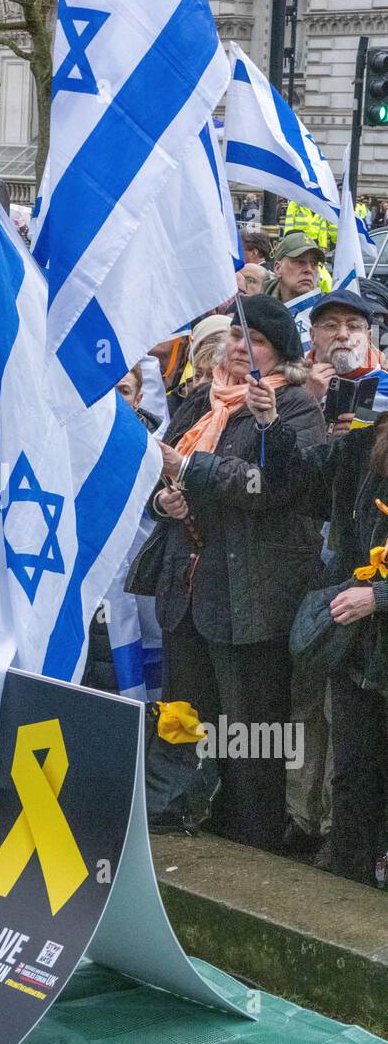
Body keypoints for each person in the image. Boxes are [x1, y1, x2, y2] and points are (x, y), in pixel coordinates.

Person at [152, 297, 325, 852]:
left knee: (250, 729)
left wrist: (192, 469)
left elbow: (275, 486)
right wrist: (165, 500)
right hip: (188, 585)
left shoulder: (295, 406)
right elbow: (157, 462)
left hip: (252, 594)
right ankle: (177, 811)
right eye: (233, 336)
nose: (236, 348)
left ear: (281, 353)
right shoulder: (200, 400)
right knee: (186, 717)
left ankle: (251, 839)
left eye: (254, 341)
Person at [247, 383, 388, 884]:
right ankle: (348, 876)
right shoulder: (357, 450)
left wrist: (381, 595)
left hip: (370, 619)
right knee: (351, 770)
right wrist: (270, 425)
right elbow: (296, 485)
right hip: (357, 649)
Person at [265, 231, 325, 307]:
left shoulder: (328, 311)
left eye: (314, 263)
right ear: (278, 268)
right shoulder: (256, 306)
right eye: (300, 262)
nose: (309, 270)